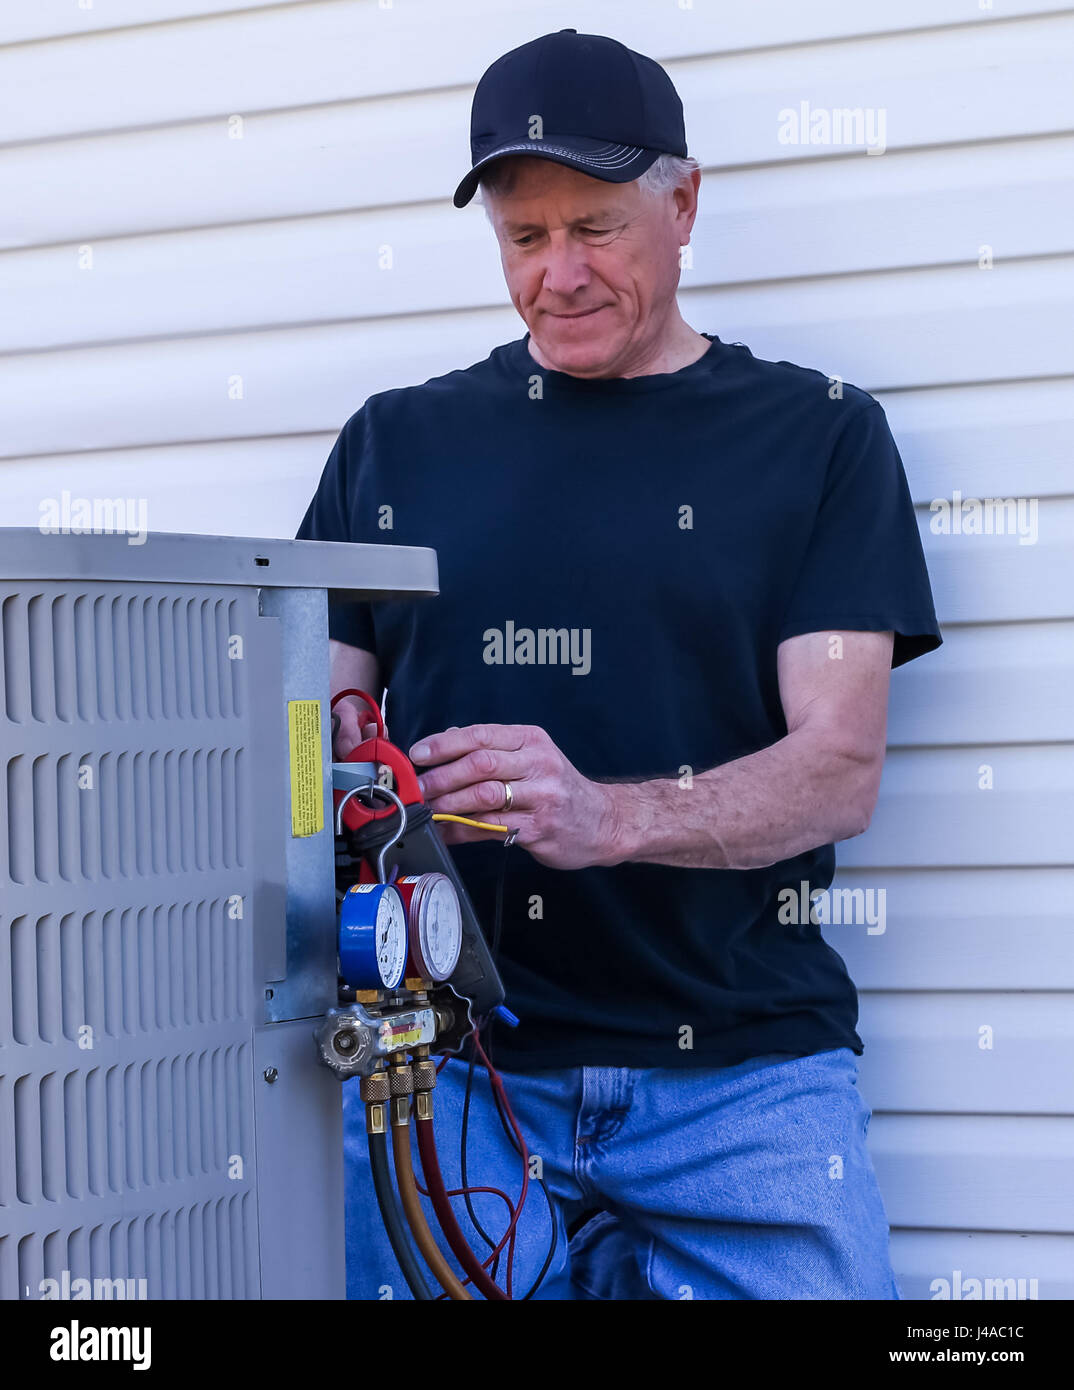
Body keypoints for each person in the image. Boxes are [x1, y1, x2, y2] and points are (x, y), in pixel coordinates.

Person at [297, 29, 942, 1300]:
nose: (560, 275)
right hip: (453, 1071)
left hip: (746, 1079)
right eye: (525, 240)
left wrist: (604, 814)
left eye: (595, 227)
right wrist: (377, 801)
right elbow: (313, 749)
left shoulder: (819, 437)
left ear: (684, 204)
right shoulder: (394, 444)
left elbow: (837, 770)